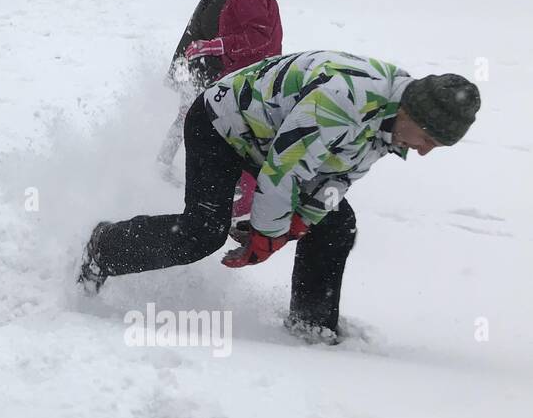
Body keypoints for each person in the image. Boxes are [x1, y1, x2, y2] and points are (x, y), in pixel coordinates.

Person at [80, 52, 480, 341]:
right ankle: (104, 248)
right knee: (202, 233)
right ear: (413, 115)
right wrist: (267, 235)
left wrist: (299, 222)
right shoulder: (345, 102)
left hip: (270, 138)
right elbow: (283, 172)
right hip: (221, 124)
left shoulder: (394, 117)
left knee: (336, 222)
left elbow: (341, 175)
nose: (424, 151)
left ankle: (310, 322)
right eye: (427, 140)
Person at [157, 0, 294, 177]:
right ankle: (169, 165)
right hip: (210, 62)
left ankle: (193, 171)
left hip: (221, 62)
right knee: (196, 118)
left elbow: (256, 34)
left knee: (210, 122)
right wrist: (212, 55)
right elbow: (209, 27)